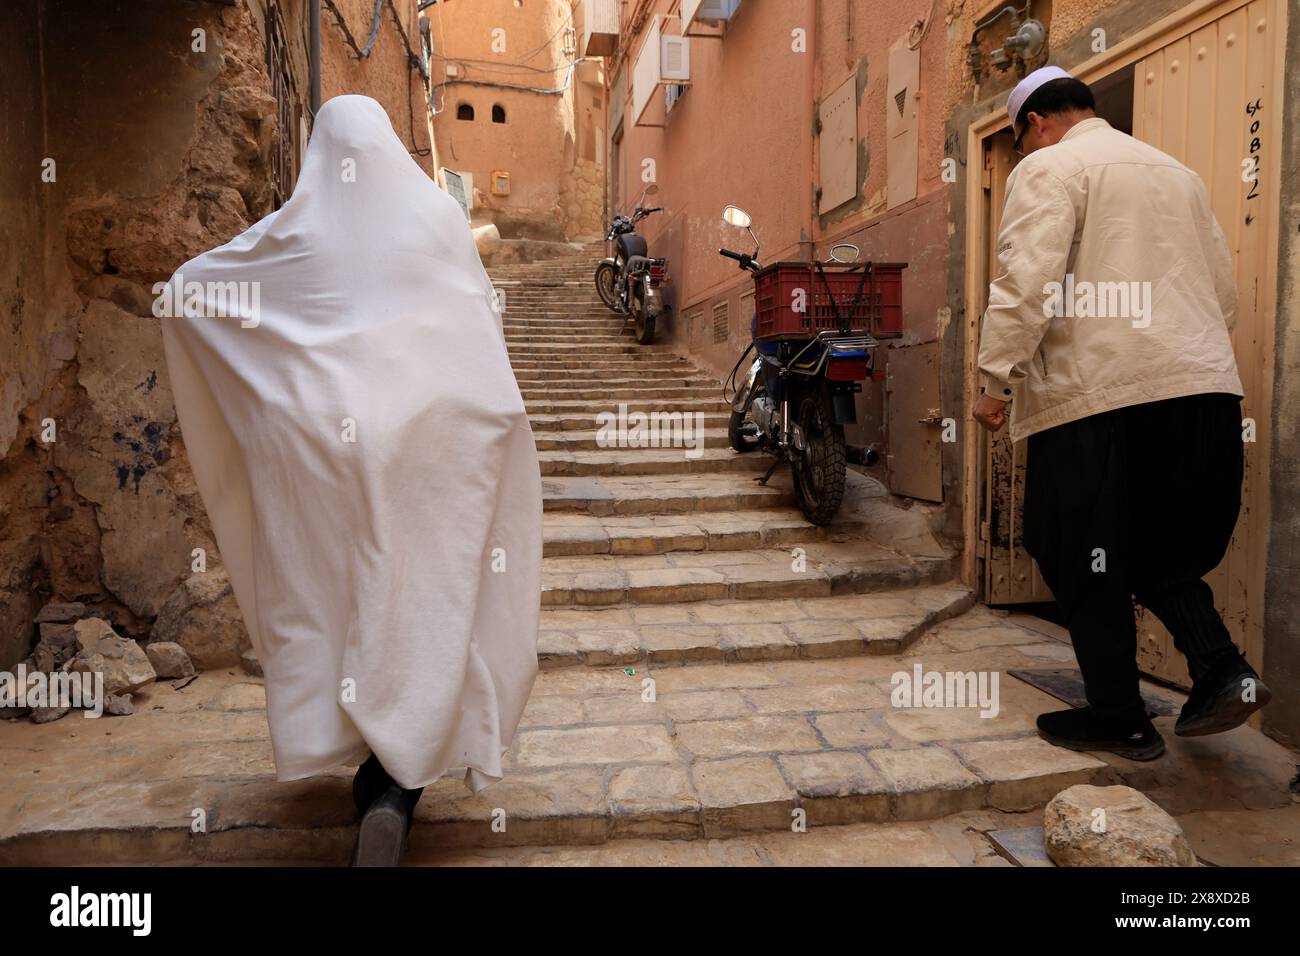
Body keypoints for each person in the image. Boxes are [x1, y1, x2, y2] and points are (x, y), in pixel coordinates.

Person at [160, 95, 542, 863]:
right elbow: (476, 329)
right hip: (443, 445)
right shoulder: (436, 219)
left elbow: (189, 291)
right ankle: (398, 777)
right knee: (432, 601)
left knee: (339, 595)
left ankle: (375, 764)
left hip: (323, 452)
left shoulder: (298, 230)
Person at [972, 66, 1270, 761]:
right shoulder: (1178, 174)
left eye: (1020, 142)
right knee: (1158, 545)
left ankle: (1118, 717)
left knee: (1073, 548)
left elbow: (1026, 279)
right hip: (1201, 390)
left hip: (1100, 398)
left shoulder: (1052, 167)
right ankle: (1223, 670)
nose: (1023, 154)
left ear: (1036, 125)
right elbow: (1222, 295)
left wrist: (995, 380)